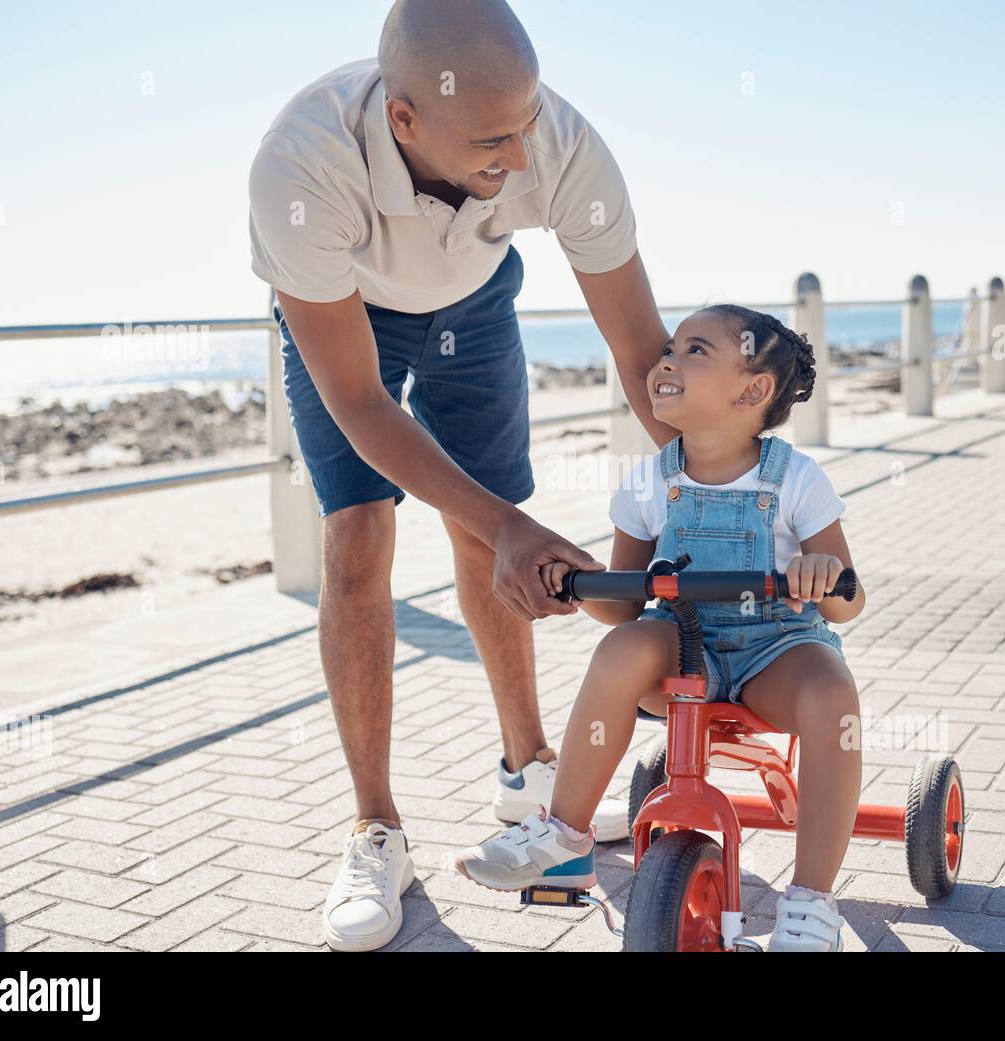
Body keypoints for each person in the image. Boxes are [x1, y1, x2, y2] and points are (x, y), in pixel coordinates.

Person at [247, 0, 678, 951]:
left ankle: (527, 770)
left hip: (475, 304)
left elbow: (641, 345)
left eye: (526, 125)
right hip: (345, 315)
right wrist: (512, 530)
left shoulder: (555, 141)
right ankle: (376, 829)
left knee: (488, 520)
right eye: (492, 140)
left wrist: (709, 489)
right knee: (359, 535)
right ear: (405, 119)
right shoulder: (300, 168)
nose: (521, 159)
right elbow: (361, 404)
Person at [455, 305, 867, 952]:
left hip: (774, 652)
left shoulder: (795, 480)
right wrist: (577, 582)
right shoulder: (651, 480)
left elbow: (848, 599)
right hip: (682, 652)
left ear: (752, 390)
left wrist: (822, 571)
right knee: (624, 643)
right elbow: (624, 601)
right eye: (670, 347)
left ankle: (811, 901)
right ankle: (563, 833)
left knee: (833, 689)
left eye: (695, 349)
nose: (666, 360)